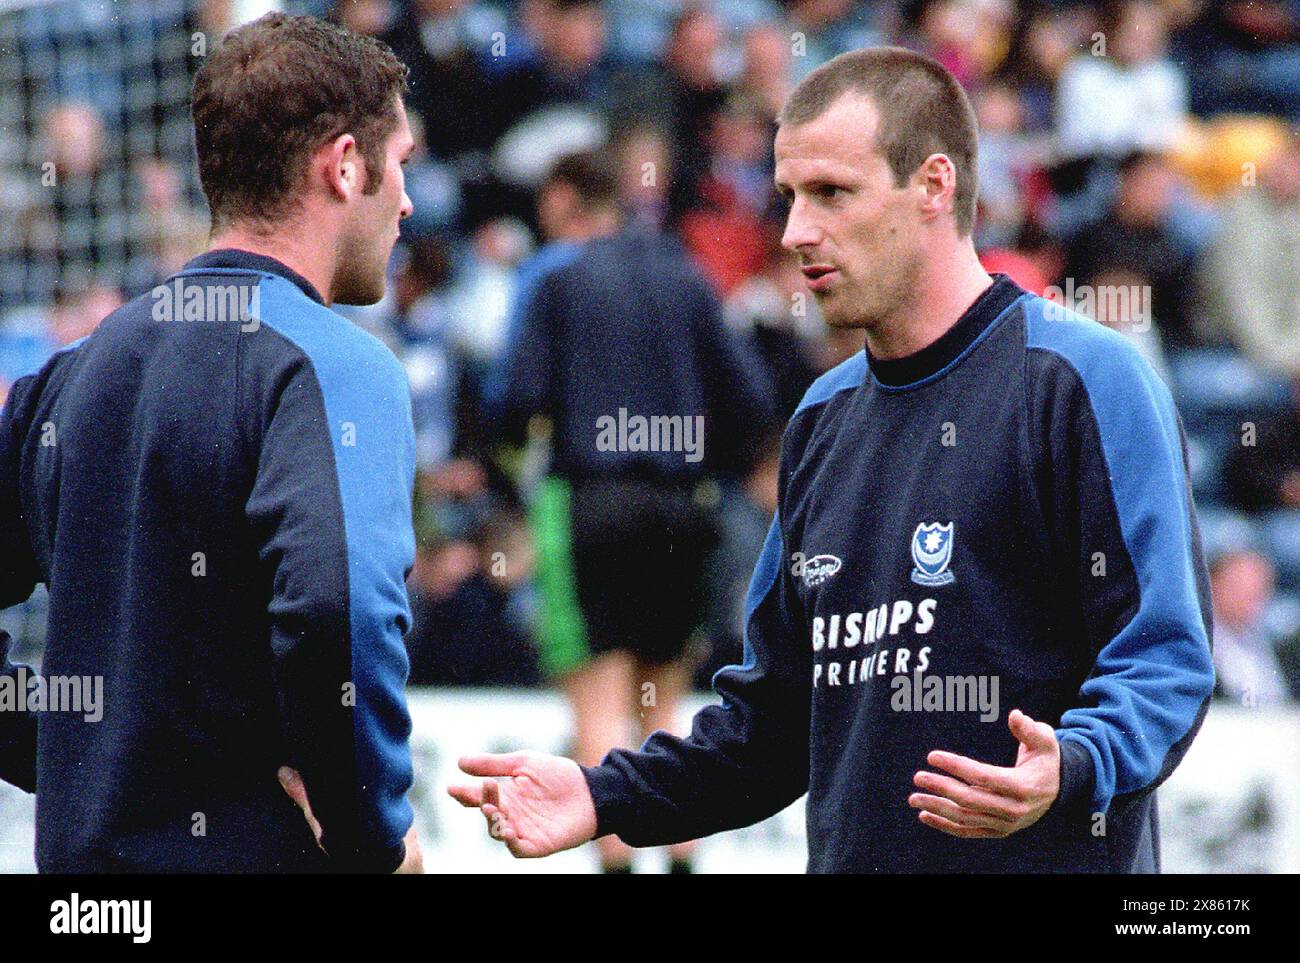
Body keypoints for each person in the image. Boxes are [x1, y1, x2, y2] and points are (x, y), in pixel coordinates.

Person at [450, 47, 1216, 874]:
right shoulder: (822, 417)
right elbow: (771, 726)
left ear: (933, 185)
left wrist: (1074, 763)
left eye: (831, 194)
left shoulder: (1083, 381)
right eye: (787, 196)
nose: (795, 232)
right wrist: (605, 796)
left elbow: (1165, 660)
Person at [0, 13, 422, 873]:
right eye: (402, 164)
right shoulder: (336, 367)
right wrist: (368, 831)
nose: (409, 200)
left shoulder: (76, 370)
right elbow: (337, 606)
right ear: (345, 166)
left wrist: (68, 752)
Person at [488, 149, 777, 872]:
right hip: (685, 509)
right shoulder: (689, 278)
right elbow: (751, 399)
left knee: (600, 707)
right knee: (662, 714)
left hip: (592, 504)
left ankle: (615, 865)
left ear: (565, 201)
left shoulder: (557, 278)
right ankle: (681, 861)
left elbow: (513, 400)